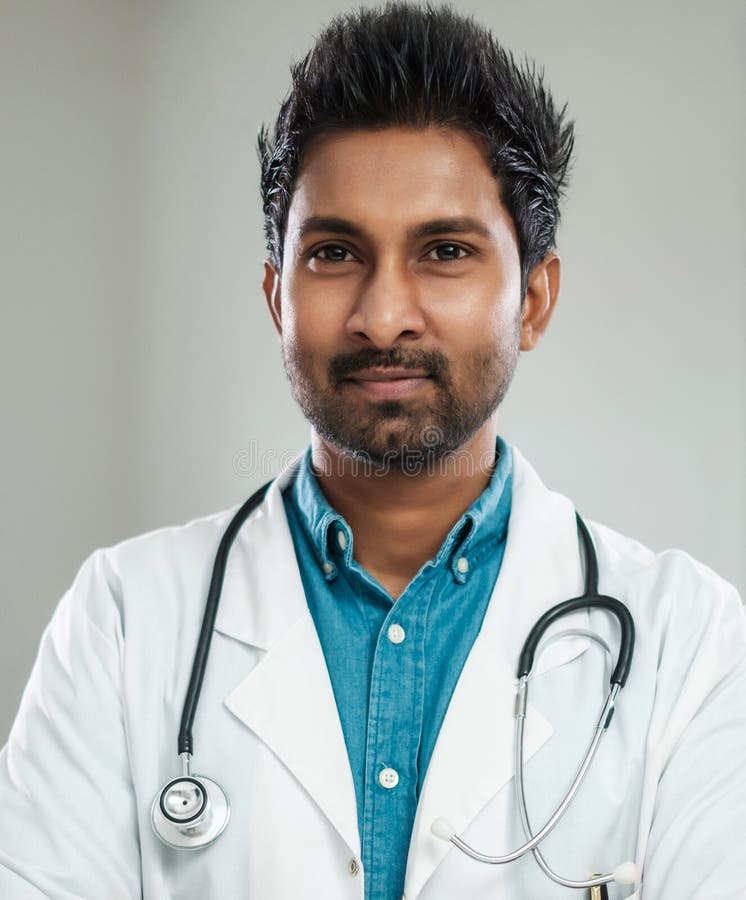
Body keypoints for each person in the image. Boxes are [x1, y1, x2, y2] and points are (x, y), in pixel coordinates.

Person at [1, 3, 744, 899]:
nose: (384, 314)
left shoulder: (687, 642)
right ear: (277, 296)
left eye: (444, 250)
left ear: (536, 300)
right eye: (335, 252)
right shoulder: (122, 623)